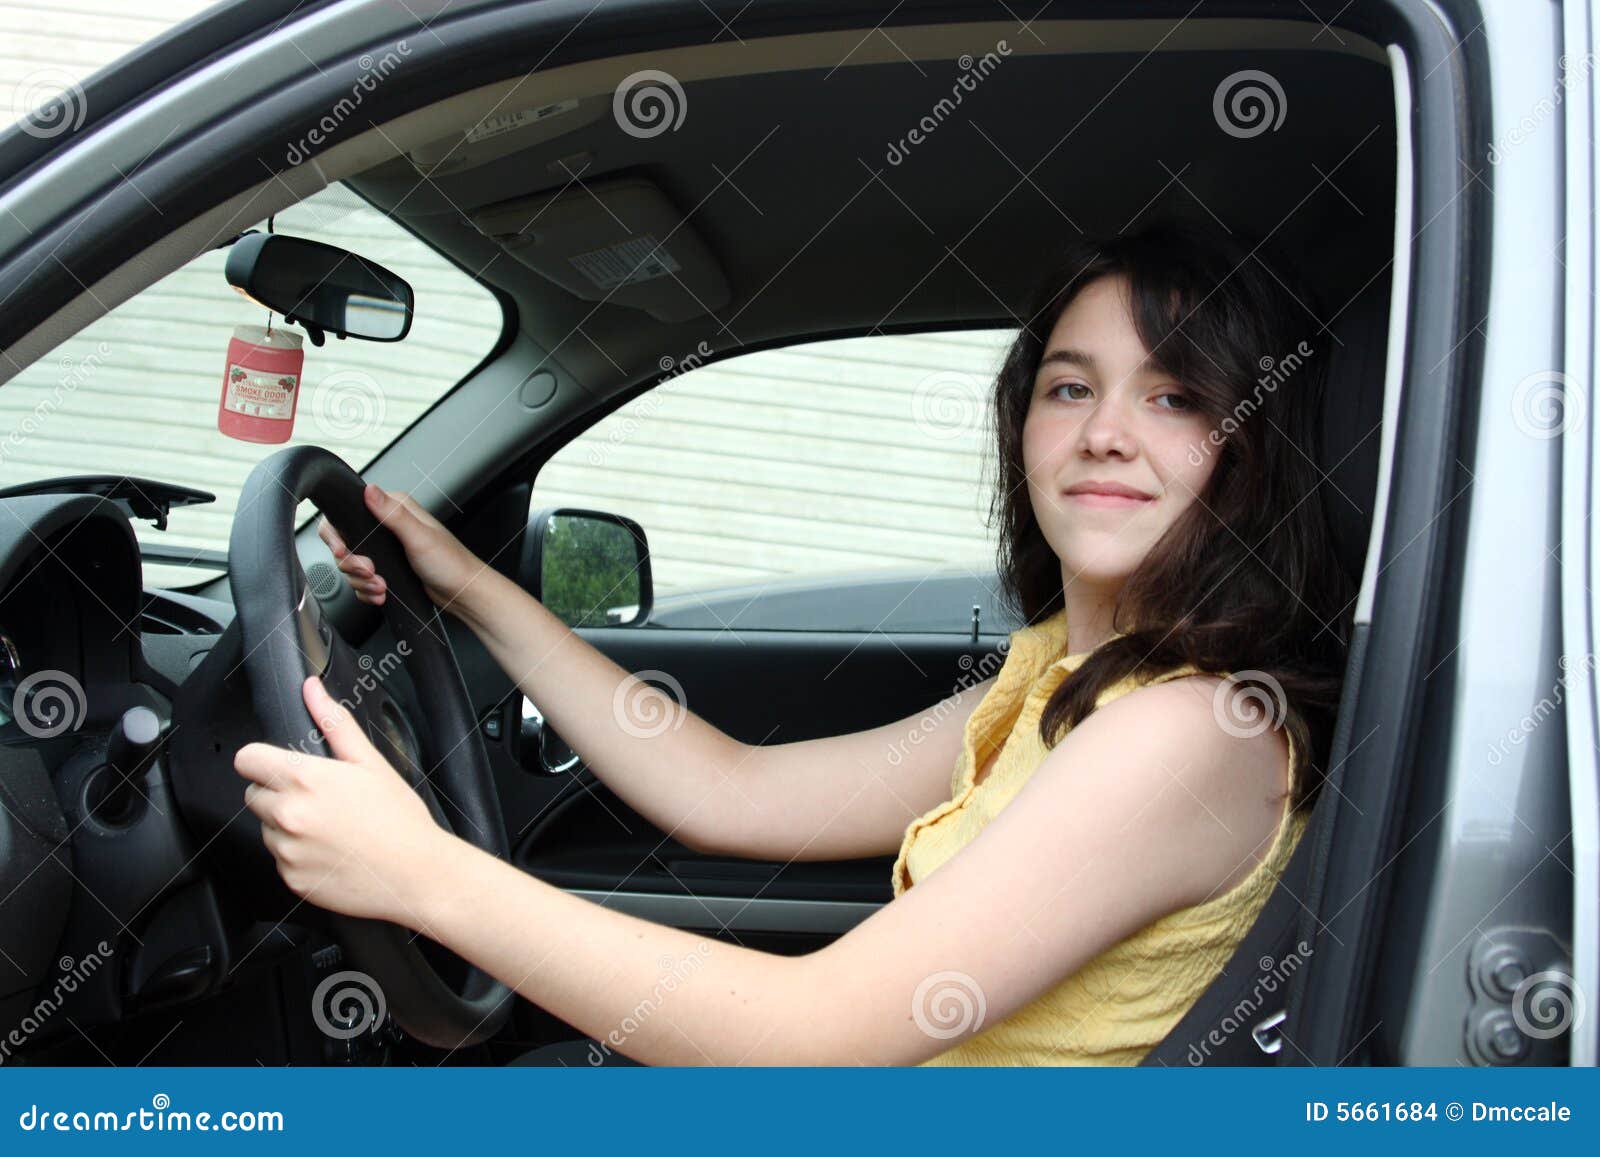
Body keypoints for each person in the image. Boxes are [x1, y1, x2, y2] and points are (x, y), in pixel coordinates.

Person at [233, 217, 1354, 1066]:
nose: (1104, 432)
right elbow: (734, 789)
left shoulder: (1188, 729)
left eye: (1172, 398)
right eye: (1070, 387)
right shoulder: (1063, 673)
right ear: (1023, 426)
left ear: (1248, 450)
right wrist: (471, 584)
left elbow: (812, 1033)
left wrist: (421, 872)